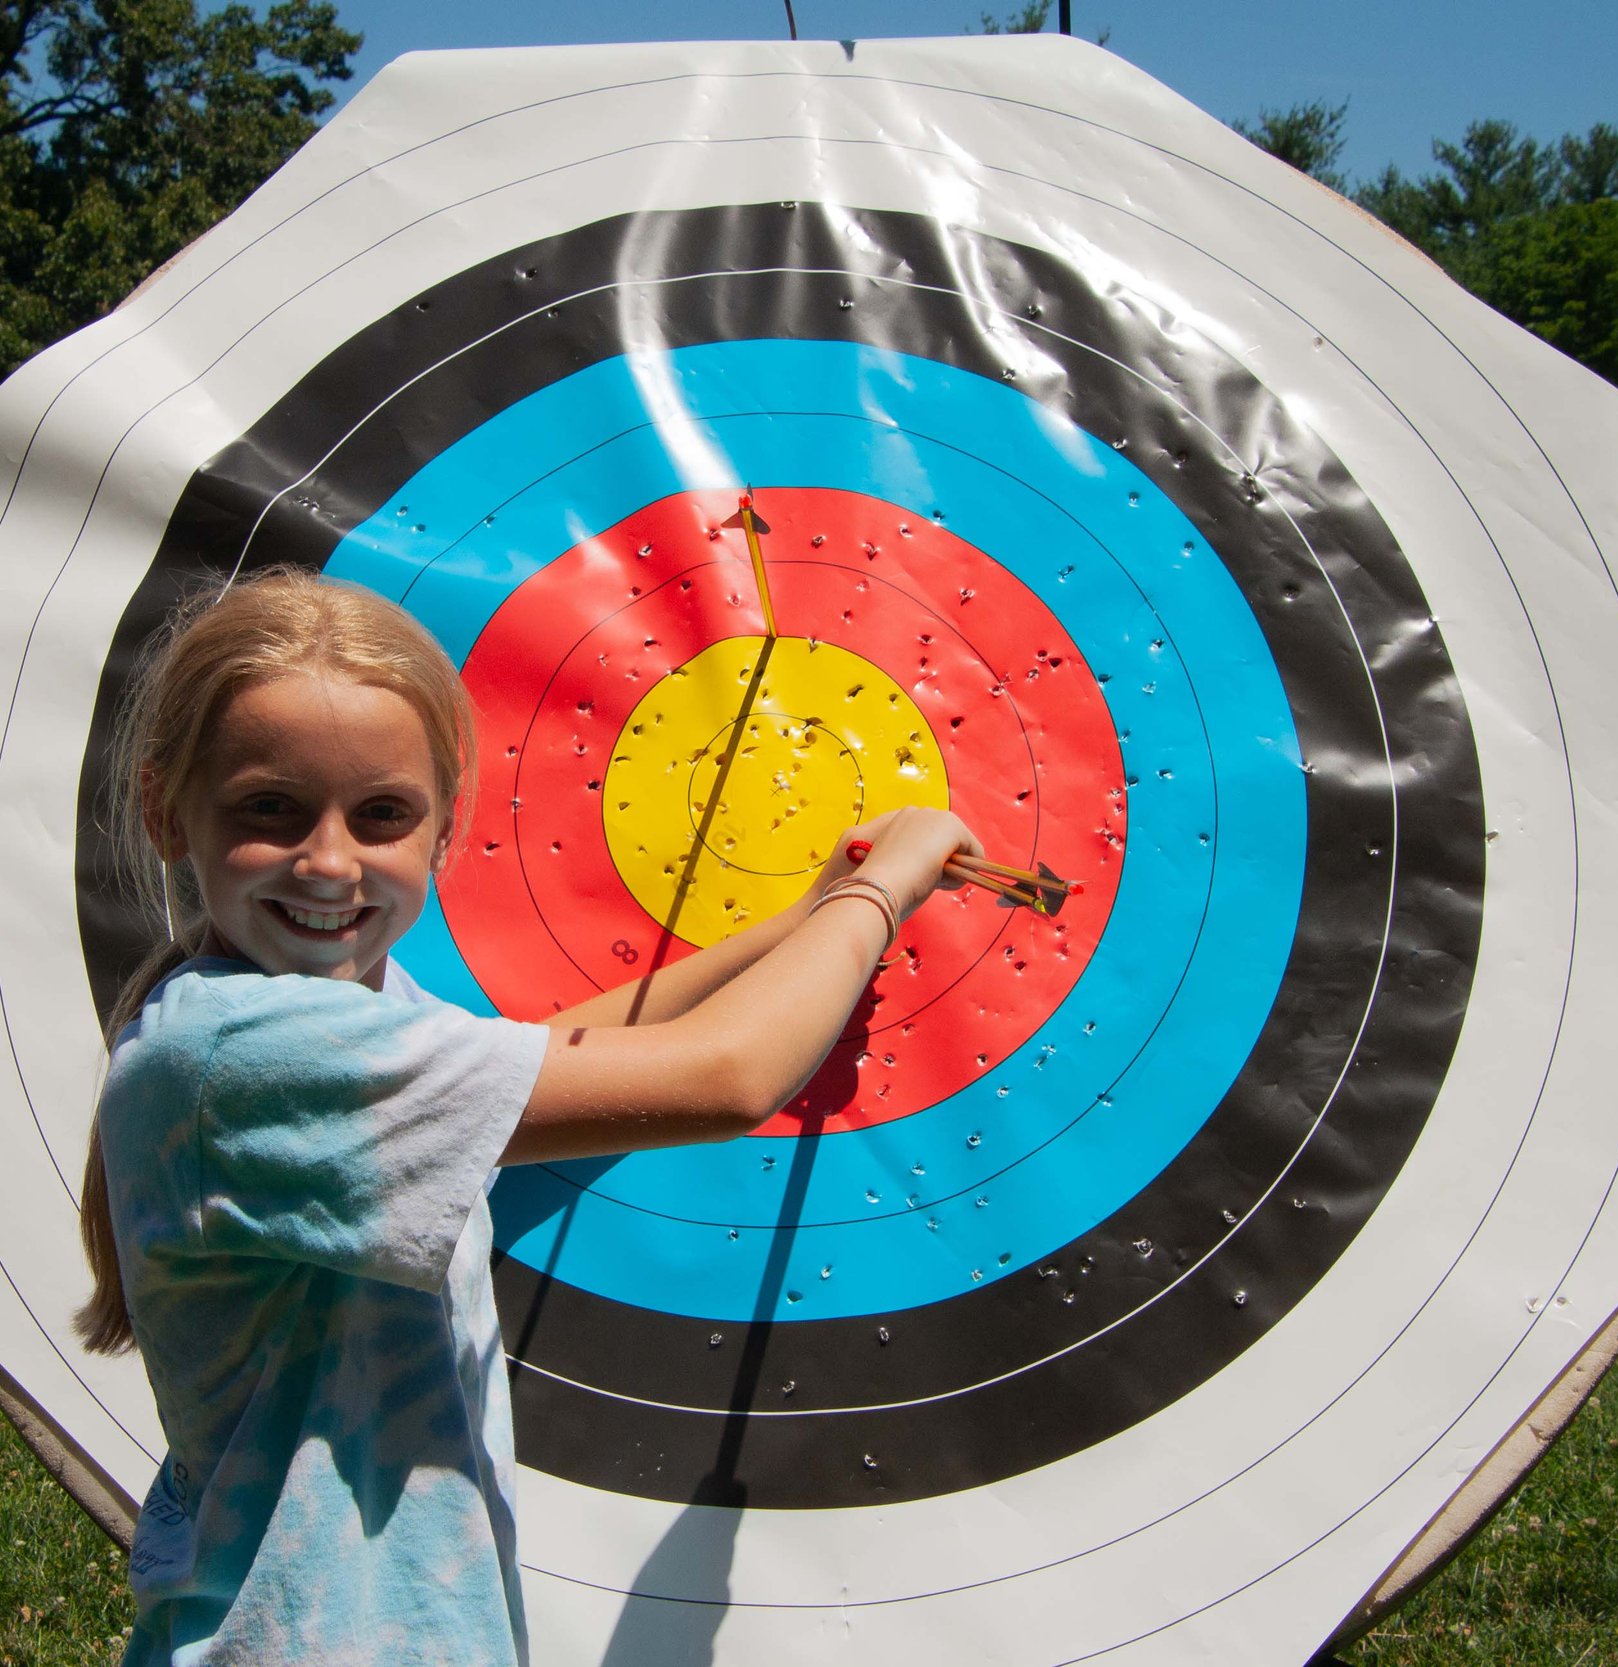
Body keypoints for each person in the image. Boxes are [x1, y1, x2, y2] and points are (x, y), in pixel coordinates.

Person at [76, 568, 980, 1666]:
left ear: (443, 827)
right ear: (164, 808)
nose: (327, 859)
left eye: (380, 815)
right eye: (268, 808)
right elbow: (730, 1077)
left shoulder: (331, 998)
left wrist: (796, 919)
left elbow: (573, 1049)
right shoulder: (243, 1053)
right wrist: (878, 892)